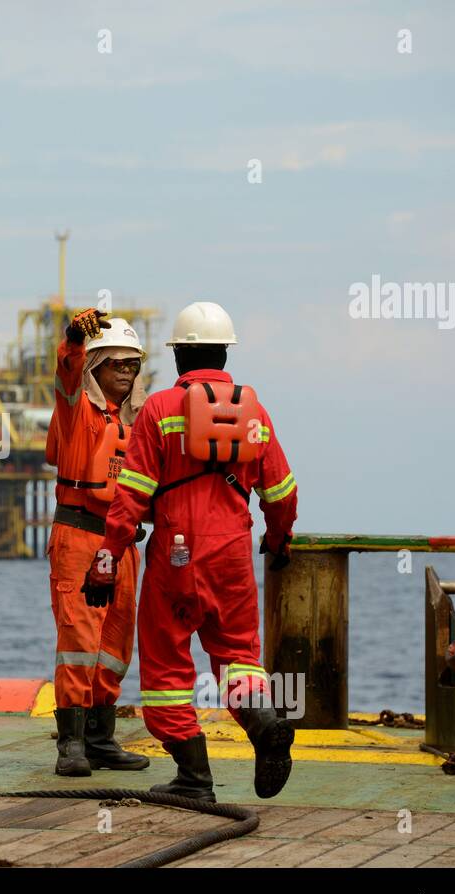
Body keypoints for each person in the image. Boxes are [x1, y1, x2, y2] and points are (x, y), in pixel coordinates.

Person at [82, 302, 298, 800]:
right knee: (239, 654)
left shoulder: (158, 409)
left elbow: (130, 496)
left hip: (175, 554)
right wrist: (279, 540)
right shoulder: (256, 413)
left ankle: (194, 777)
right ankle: (264, 722)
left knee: (165, 662)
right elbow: (282, 492)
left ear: (178, 356)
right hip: (234, 553)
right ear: (224, 354)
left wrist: (107, 560)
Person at [45, 308, 150, 776]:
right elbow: (66, 372)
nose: (126, 372)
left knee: (114, 646)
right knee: (78, 644)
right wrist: (72, 340)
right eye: (116, 363)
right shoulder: (75, 410)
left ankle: (101, 739)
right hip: (79, 540)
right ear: (95, 367)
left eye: (132, 364)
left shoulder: (140, 423)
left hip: (123, 545)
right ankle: (71, 745)